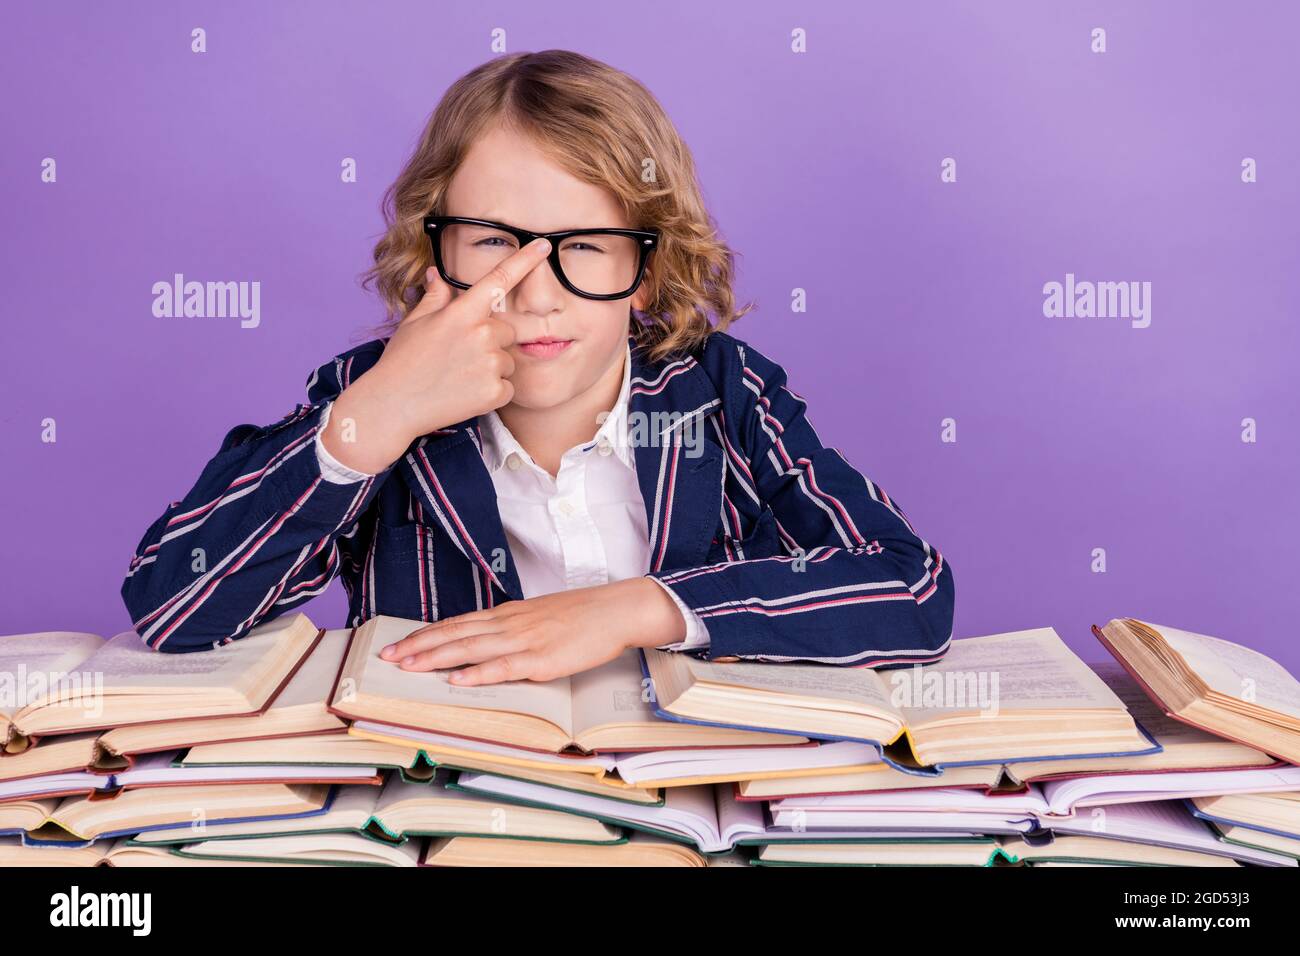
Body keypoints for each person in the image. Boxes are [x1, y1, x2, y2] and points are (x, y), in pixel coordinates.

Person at [121, 50, 954, 686]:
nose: (536, 294)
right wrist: (373, 422)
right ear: (429, 252)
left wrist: (641, 608)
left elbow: (910, 587)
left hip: (688, 807)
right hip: (453, 811)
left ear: (651, 269)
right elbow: (173, 603)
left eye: (586, 247)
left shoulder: (721, 391)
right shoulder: (372, 396)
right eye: (492, 243)